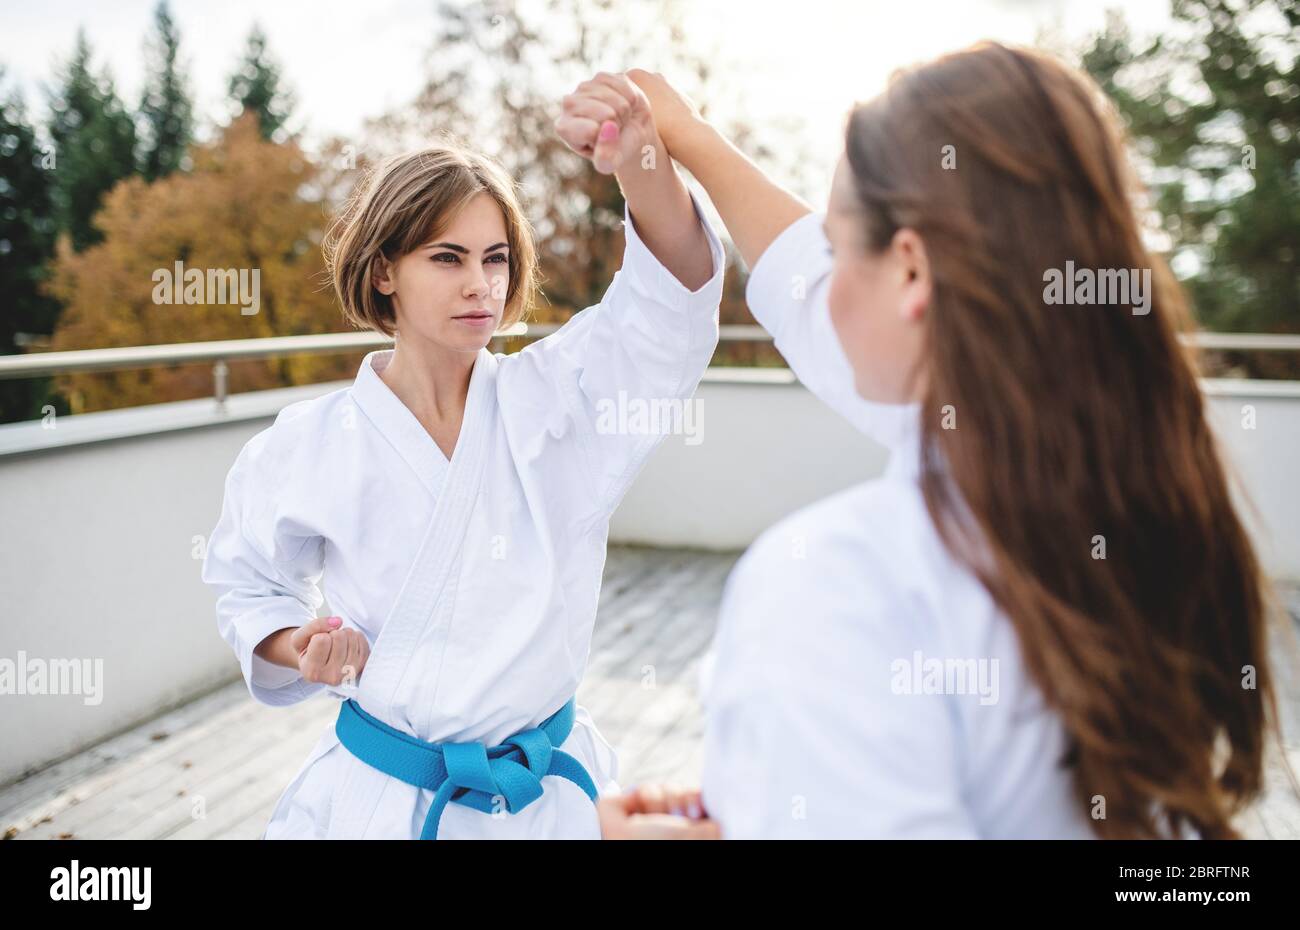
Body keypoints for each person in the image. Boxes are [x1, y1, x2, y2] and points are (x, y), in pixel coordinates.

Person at [598, 45, 1282, 839]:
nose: (825, 281)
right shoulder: (1151, 506)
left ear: (913, 274)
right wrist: (688, 137)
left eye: (842, 245)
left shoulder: (839, 588)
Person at [200, 72, 726, 839]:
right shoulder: (306, 446)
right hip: (383, 801)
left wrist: (641, 162)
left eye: (496, 258)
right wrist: (300, 644)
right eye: (447, 258)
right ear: (384, 271)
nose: (481, 285)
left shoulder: (559, 405)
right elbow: (248, 585)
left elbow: (667, 313)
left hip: (542, 799)